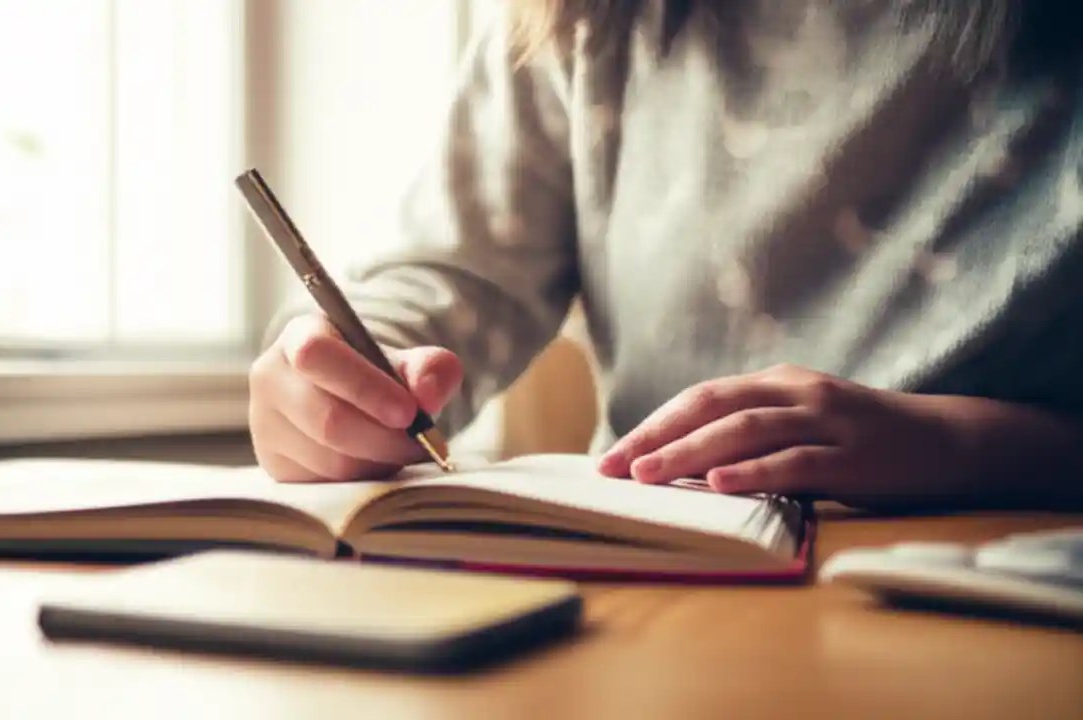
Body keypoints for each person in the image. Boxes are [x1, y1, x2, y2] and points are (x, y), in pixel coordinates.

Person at [248, 0, 1083, 507]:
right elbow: (453, 275)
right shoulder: (587, 19)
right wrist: (341, 375)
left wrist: (961, 448)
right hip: (655, 581)